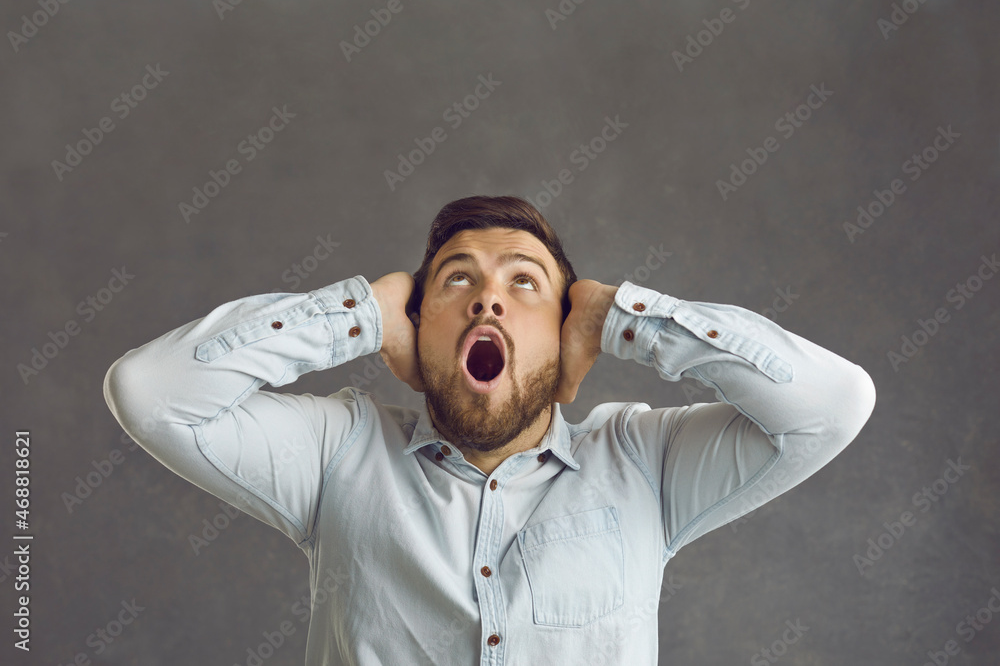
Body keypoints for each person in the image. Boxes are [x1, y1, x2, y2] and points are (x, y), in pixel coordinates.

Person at [103, 195, 877, 665]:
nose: (488, 301)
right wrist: (362, 313)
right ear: (419, 327)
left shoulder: (645, 461)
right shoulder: (338, 452)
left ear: (566, 329)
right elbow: (150, 392)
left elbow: (832, 404)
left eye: (525, 282)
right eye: (457, 280)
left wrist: (621, 317)